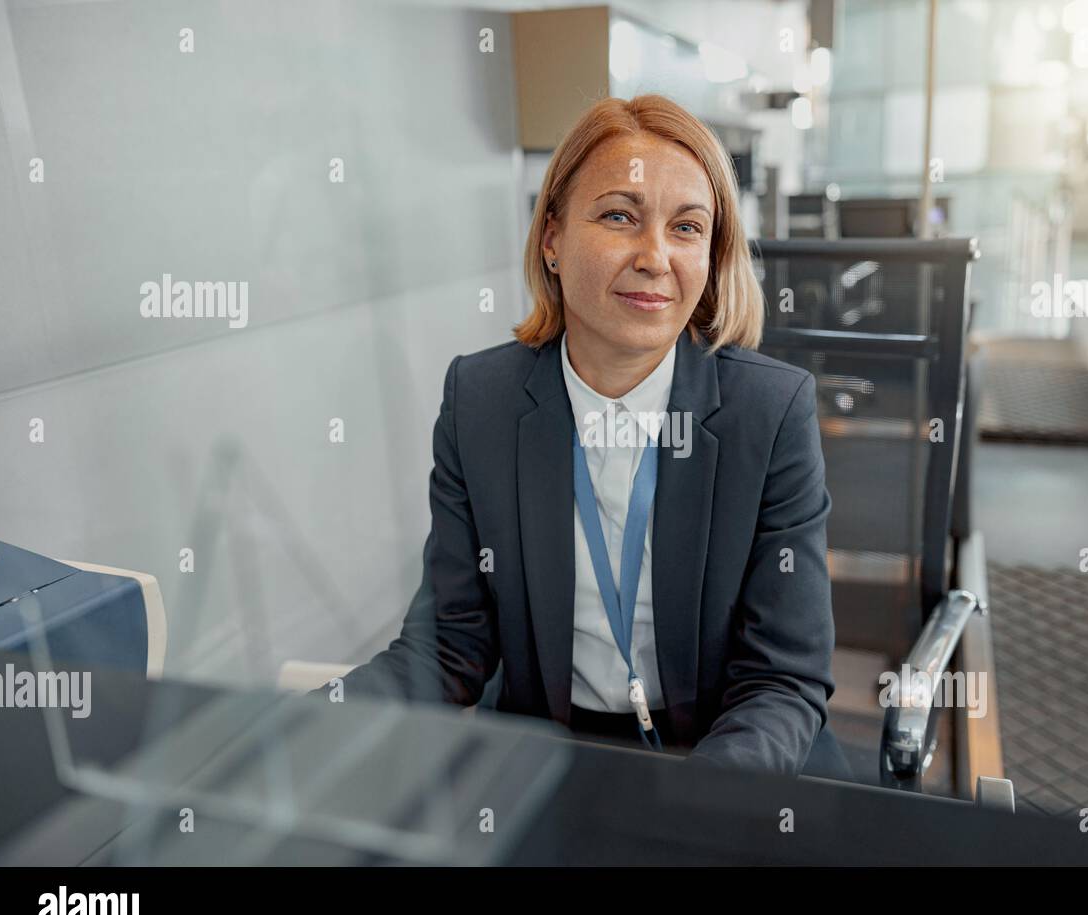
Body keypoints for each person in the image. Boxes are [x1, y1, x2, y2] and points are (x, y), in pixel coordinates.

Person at [329, 93, 852, 782]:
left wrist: (693, 803)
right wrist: (300, 723)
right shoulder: (479, 403)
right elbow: (449, 646)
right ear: (552, 238)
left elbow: (782, 680)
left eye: (688, 227)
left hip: (729, 763)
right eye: (618, 216)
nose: (655, 257)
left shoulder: (769, 412)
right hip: (548, 761)